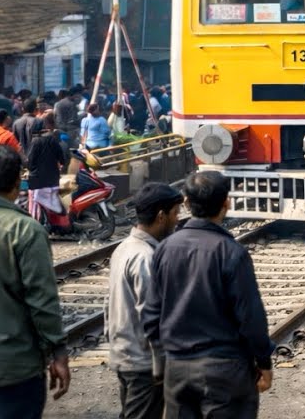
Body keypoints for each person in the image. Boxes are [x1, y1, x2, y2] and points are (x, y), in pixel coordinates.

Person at [142, 171, 273, 418]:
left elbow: (150, 315)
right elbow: (251, 318)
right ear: (226, 203)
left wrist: (167, 354)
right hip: (225, 370)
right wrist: (263, 361)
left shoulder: (165, 249)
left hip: (177, 368)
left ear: (187, 203)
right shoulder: (231, 252)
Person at [0, 145, 71, 415]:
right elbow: (42, 300)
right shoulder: (24, 230)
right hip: (14, 369)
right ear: (18, 181)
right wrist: (58, 352)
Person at [106, 183, 184, 419]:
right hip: (143, 363)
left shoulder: (124, 248)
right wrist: (161, 366)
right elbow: (152, 316)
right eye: (175, 213)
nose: (177, 219)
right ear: (161, 216)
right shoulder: (146, 257)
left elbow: (108, 307)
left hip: (124, 354)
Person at [25, 113, 68, 225]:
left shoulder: (35, 141)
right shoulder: (53, 140)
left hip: (38, 181)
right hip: (53, 179)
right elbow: (62, 158)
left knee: (35, 203)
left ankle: (35, 225)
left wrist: (30, 169)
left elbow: (30, 162)